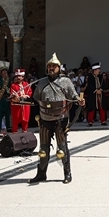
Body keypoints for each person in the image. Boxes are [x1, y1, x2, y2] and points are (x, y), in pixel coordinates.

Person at [29, 53, 83, 185]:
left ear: (59, 68)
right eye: (49, 66)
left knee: (62, 148)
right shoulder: (41, 83)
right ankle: (41, 173)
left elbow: (74, 95)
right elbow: (34, 99)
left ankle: (67, 173)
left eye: (54, 66)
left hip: (61, 119)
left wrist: (79, 101)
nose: (51, 68)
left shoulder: (66, 82)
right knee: (43, 149)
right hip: (45, 119)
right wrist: (20, 99)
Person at [9, 68, 33, 132]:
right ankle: (15, 132)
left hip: (25, 104)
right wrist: (17, 96)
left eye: (20, 76)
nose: (18, 78)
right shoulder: (13, 85)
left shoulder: (26, 84)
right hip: (17, 105)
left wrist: (26, 96)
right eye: (17, 76)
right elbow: (12, 93)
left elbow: (29, 92)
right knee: (15, 119)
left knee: (25, 119)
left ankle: (25, 131)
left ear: (23, 77)